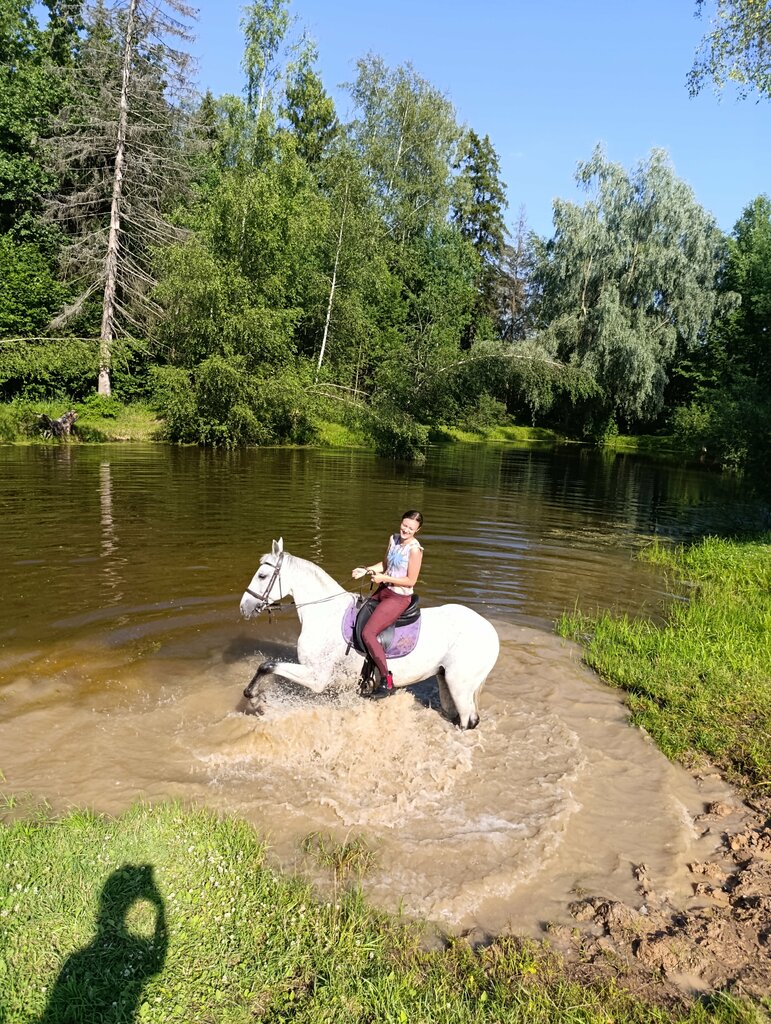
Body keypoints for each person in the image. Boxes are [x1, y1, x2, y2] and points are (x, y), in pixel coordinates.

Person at [352, 510, 424, 692]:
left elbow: (411, 580)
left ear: (417, 530)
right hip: (383, 590)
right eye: (404, 525)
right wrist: (366, 570)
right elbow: (385, 565)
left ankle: (386, 678)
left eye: (411, 528)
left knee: (368, 633)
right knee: (355, 613)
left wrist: (384, 578)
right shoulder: (393, 539)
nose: (406, 530)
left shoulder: (415, 550)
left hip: (399, 597)